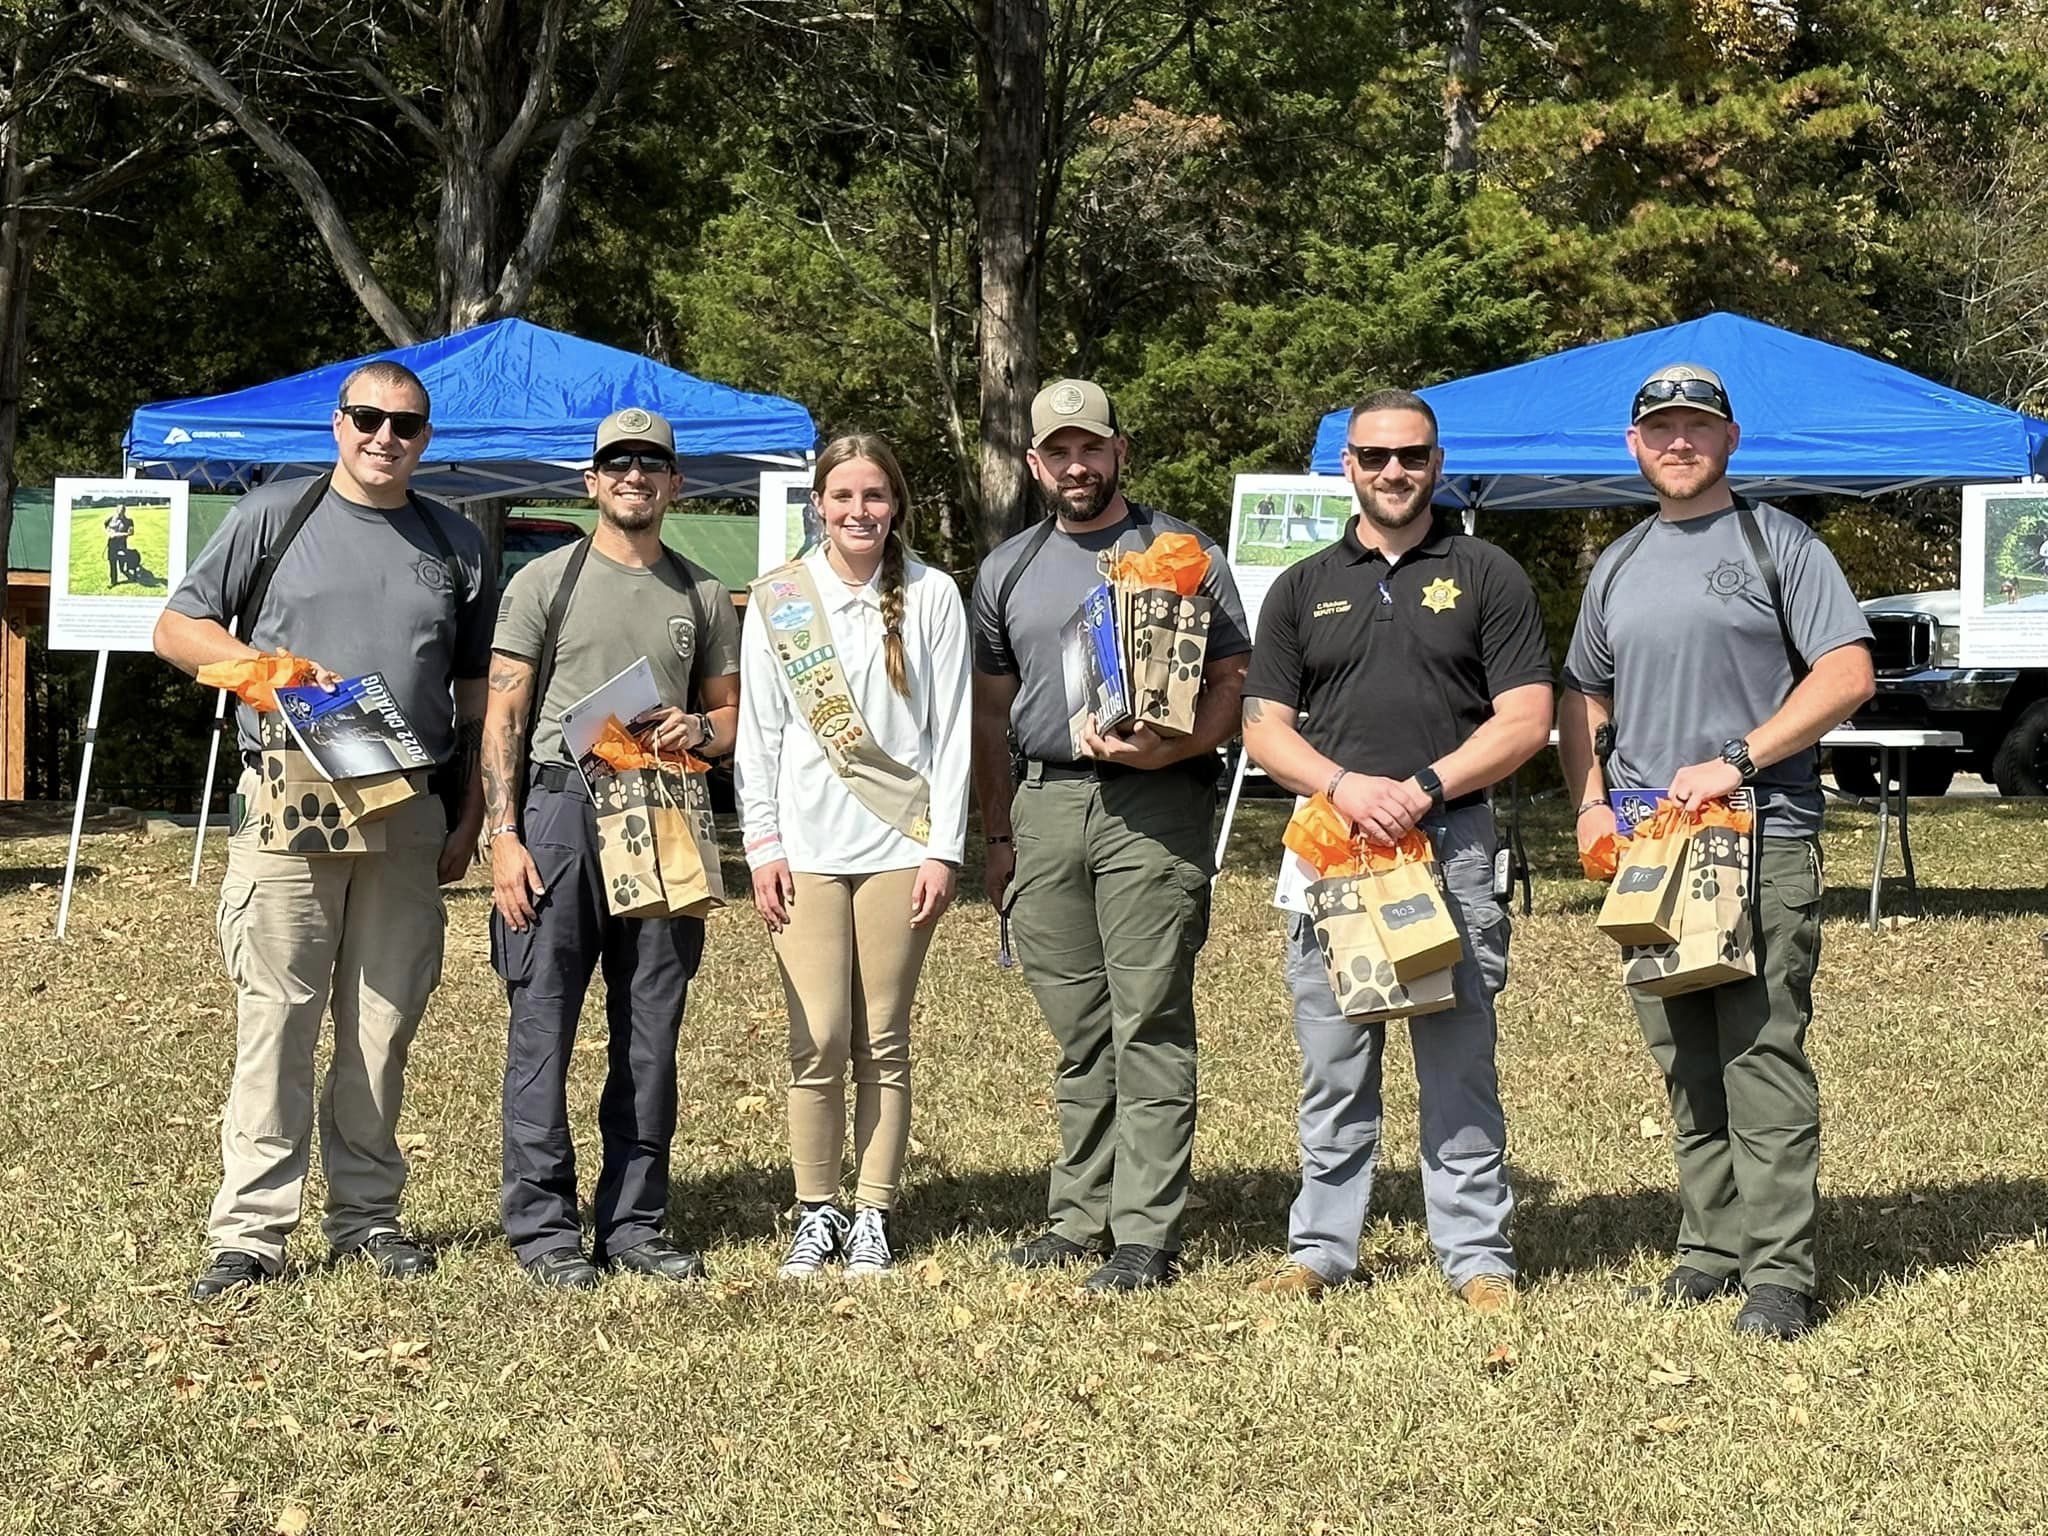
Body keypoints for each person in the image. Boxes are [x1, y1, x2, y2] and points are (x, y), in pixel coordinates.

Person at [155, 359, 494, 1300]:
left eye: (406, 426)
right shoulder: (276, 513)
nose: (385, 438)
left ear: (426, 440)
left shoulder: (458, 543)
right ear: (336, 424)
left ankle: (366, 1218)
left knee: (382, 1023)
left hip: (408, 808)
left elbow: (472, 695)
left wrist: (475, 808)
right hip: (290, 795)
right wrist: (263, 670)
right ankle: (252, 1232)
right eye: (368, 419)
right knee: (278, 1015)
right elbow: (178, 627)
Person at [1559, 363, 1875, 1340]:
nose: (1678, 442)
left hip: (1756, 835)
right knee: (1685, 1056)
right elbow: (1582, 696)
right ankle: (1708, 1251)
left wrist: (1737, 758)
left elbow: (1846, 671)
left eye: (1696, 426)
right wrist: (1587, 806)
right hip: (1653, 851)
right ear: (1633, 446)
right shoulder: (1615, 563)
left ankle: (1778, 1274)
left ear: (1729, 439)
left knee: (1758, 1051)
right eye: (1660, 429)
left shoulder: (1777, 543)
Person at [1239, 388, 1553, 1312]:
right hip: (1332, 851)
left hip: (1448, 843)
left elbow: (1528, 719)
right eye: (1374, 456)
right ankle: (1324, 1246)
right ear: (1346, 465)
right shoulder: (1302, 586)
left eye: (1410, 456)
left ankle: (1475, 1255)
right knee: (1334, 1060)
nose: (1392, 472)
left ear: (1436, 462)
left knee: (1456, 1056)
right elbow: (1264, 726)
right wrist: (1342, 786)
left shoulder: (1488, 572)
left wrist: (1422, 788)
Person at [970, 378, 1251, 1293]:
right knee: (1078, 1023)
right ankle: (1076, 1217)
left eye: (1092, 448)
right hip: (1047, 804)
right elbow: (992, 711)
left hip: (1157, 806)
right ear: (1035, 463)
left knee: (1150, 1017)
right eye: (1059, 451)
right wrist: (999, 832)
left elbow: (1233, 682)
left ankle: (1143, 1233)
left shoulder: (1182, 552)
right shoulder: (1006, 569)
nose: (1076, 466)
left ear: (1119, 452)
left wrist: (1175, 747)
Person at [482, 409, 742, 1290]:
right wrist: (503, 834)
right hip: (559, 814)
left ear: (676, 484)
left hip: (664, 815)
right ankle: (544, 1229)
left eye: (652, 464)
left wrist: (699, 727)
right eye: (616, 463)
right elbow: (505, 715)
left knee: (650, 1034)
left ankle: (633, 1223)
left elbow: (734, 721)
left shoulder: (704, 594)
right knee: (542, 1025)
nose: (634, 475)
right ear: (590, 481)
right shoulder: (544, 583)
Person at [736, 433, 971, 1280]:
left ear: (896, 504)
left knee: (883, 1037)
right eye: (843, 498)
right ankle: (815, 1209)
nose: (859, 512)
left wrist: (946, 850)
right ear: (818, 507)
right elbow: (757, 738)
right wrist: (760, 845)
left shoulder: (936, 596)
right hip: (803, 852)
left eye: (874, 496)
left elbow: (952, 735)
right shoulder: (778, 601)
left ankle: (872, 1211)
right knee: (819, 1037)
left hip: (900, 846)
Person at [104, 507, 135, 586]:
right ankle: (113, 581)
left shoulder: (129, 521)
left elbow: (131, 532)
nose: (121, 513)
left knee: (122, 559)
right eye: (120, 511)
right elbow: (110, 533)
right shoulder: (110, 519)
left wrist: (120, 534)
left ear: (125, 511)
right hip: (112, 545)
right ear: (116, 511)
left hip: (122, 545)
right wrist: (123, 534)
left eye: (123, 511)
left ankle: (122, 570)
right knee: (112, 563)